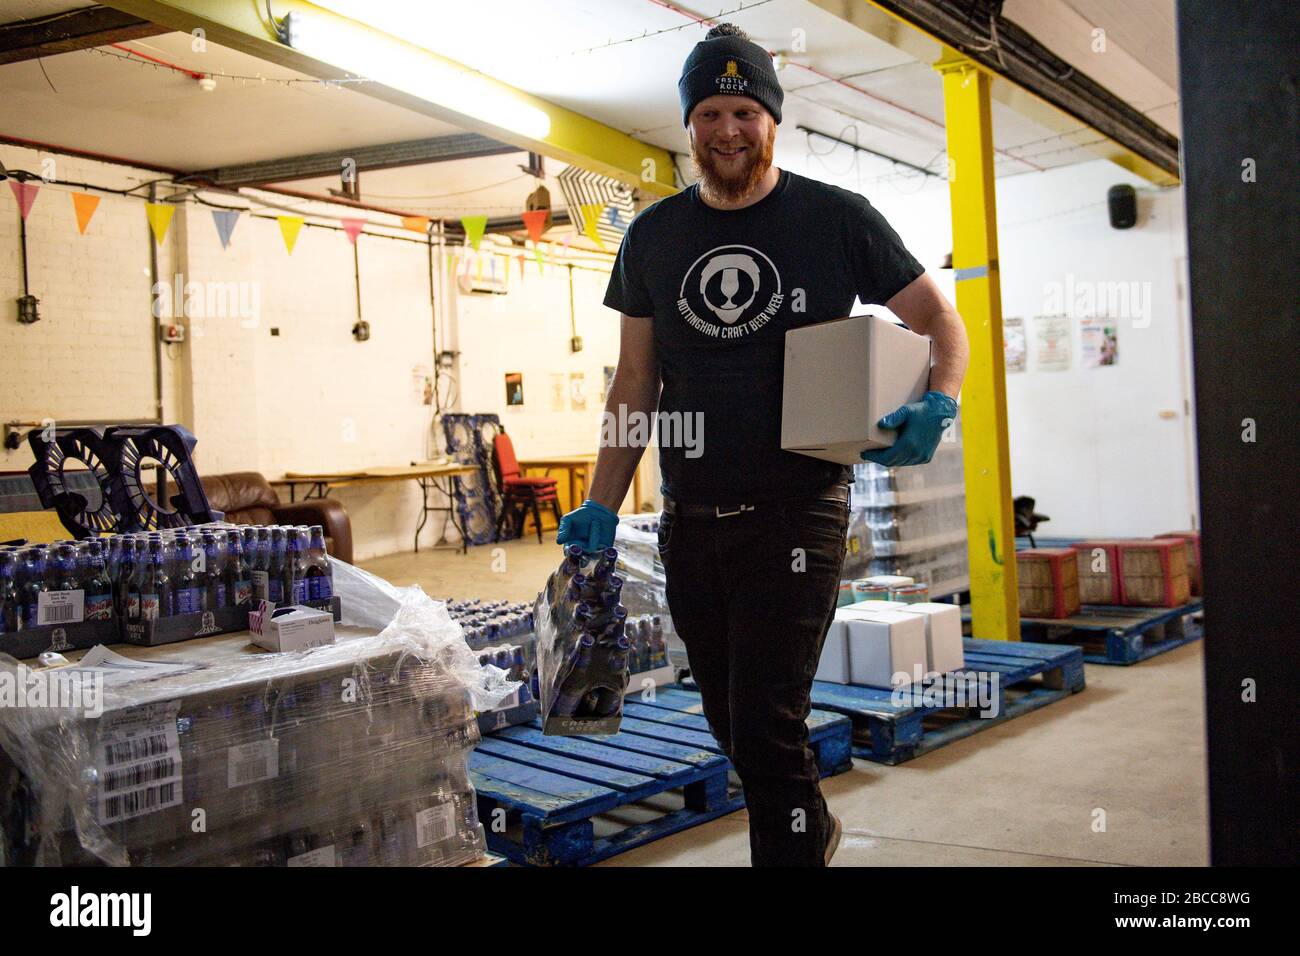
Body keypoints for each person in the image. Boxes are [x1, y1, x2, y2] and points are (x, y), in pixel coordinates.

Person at [557, 22, 969, 866]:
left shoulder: (835, 219)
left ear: (773, 118)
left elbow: (940, 319)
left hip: (798, 510)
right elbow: (636, 382)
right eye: (709, 112)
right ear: (690, 124)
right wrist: (602, 500)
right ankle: (810, 828)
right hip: (690, 518)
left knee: (764, 723)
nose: (727, 130)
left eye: (744, 111)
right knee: (726, 717)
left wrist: (942, 401)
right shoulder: (653, 237)